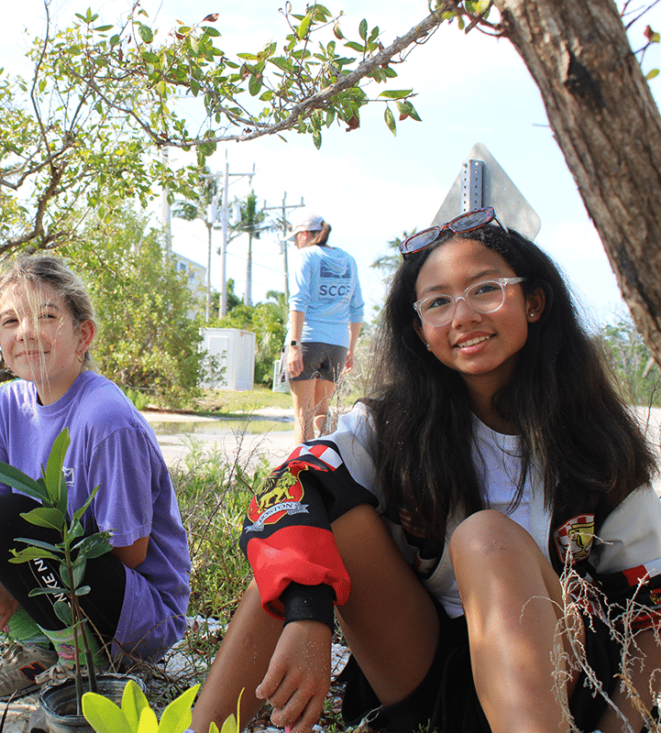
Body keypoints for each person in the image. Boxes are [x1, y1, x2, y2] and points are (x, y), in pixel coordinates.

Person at [191, 208, 661, 733]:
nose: (462, 316)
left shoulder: (597, 442)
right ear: (420, 331)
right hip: (425, 672)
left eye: (485, 290)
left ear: (534, 301)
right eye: (438, 302)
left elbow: (652, 614)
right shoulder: (393, 426)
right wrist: (307, 610)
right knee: (304, 540)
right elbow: (290, 483)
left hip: (555, 683)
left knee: (485, 538)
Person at [0, 255, 190, 732]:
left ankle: (81, 664)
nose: (26, 332)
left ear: (83, 334)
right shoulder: (6, 405)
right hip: (57, 579)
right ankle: (40, 649)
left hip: (137, 613)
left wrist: (17, 581)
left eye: (46, 316)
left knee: (5, 517)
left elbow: (131, 553)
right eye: (11, 321)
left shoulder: (106, 419)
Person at [283, 211, 363, 444]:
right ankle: (331, 463)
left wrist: (294, 345)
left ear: (304, 235)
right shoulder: (348, 260)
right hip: (338, 346)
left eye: (295, 238)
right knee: (323, 414)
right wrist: (350, 349)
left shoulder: (305, 256)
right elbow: (357, 308)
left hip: (307, 341)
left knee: (303, 416)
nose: (295, 244)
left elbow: (298, 302)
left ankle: (304, 467)